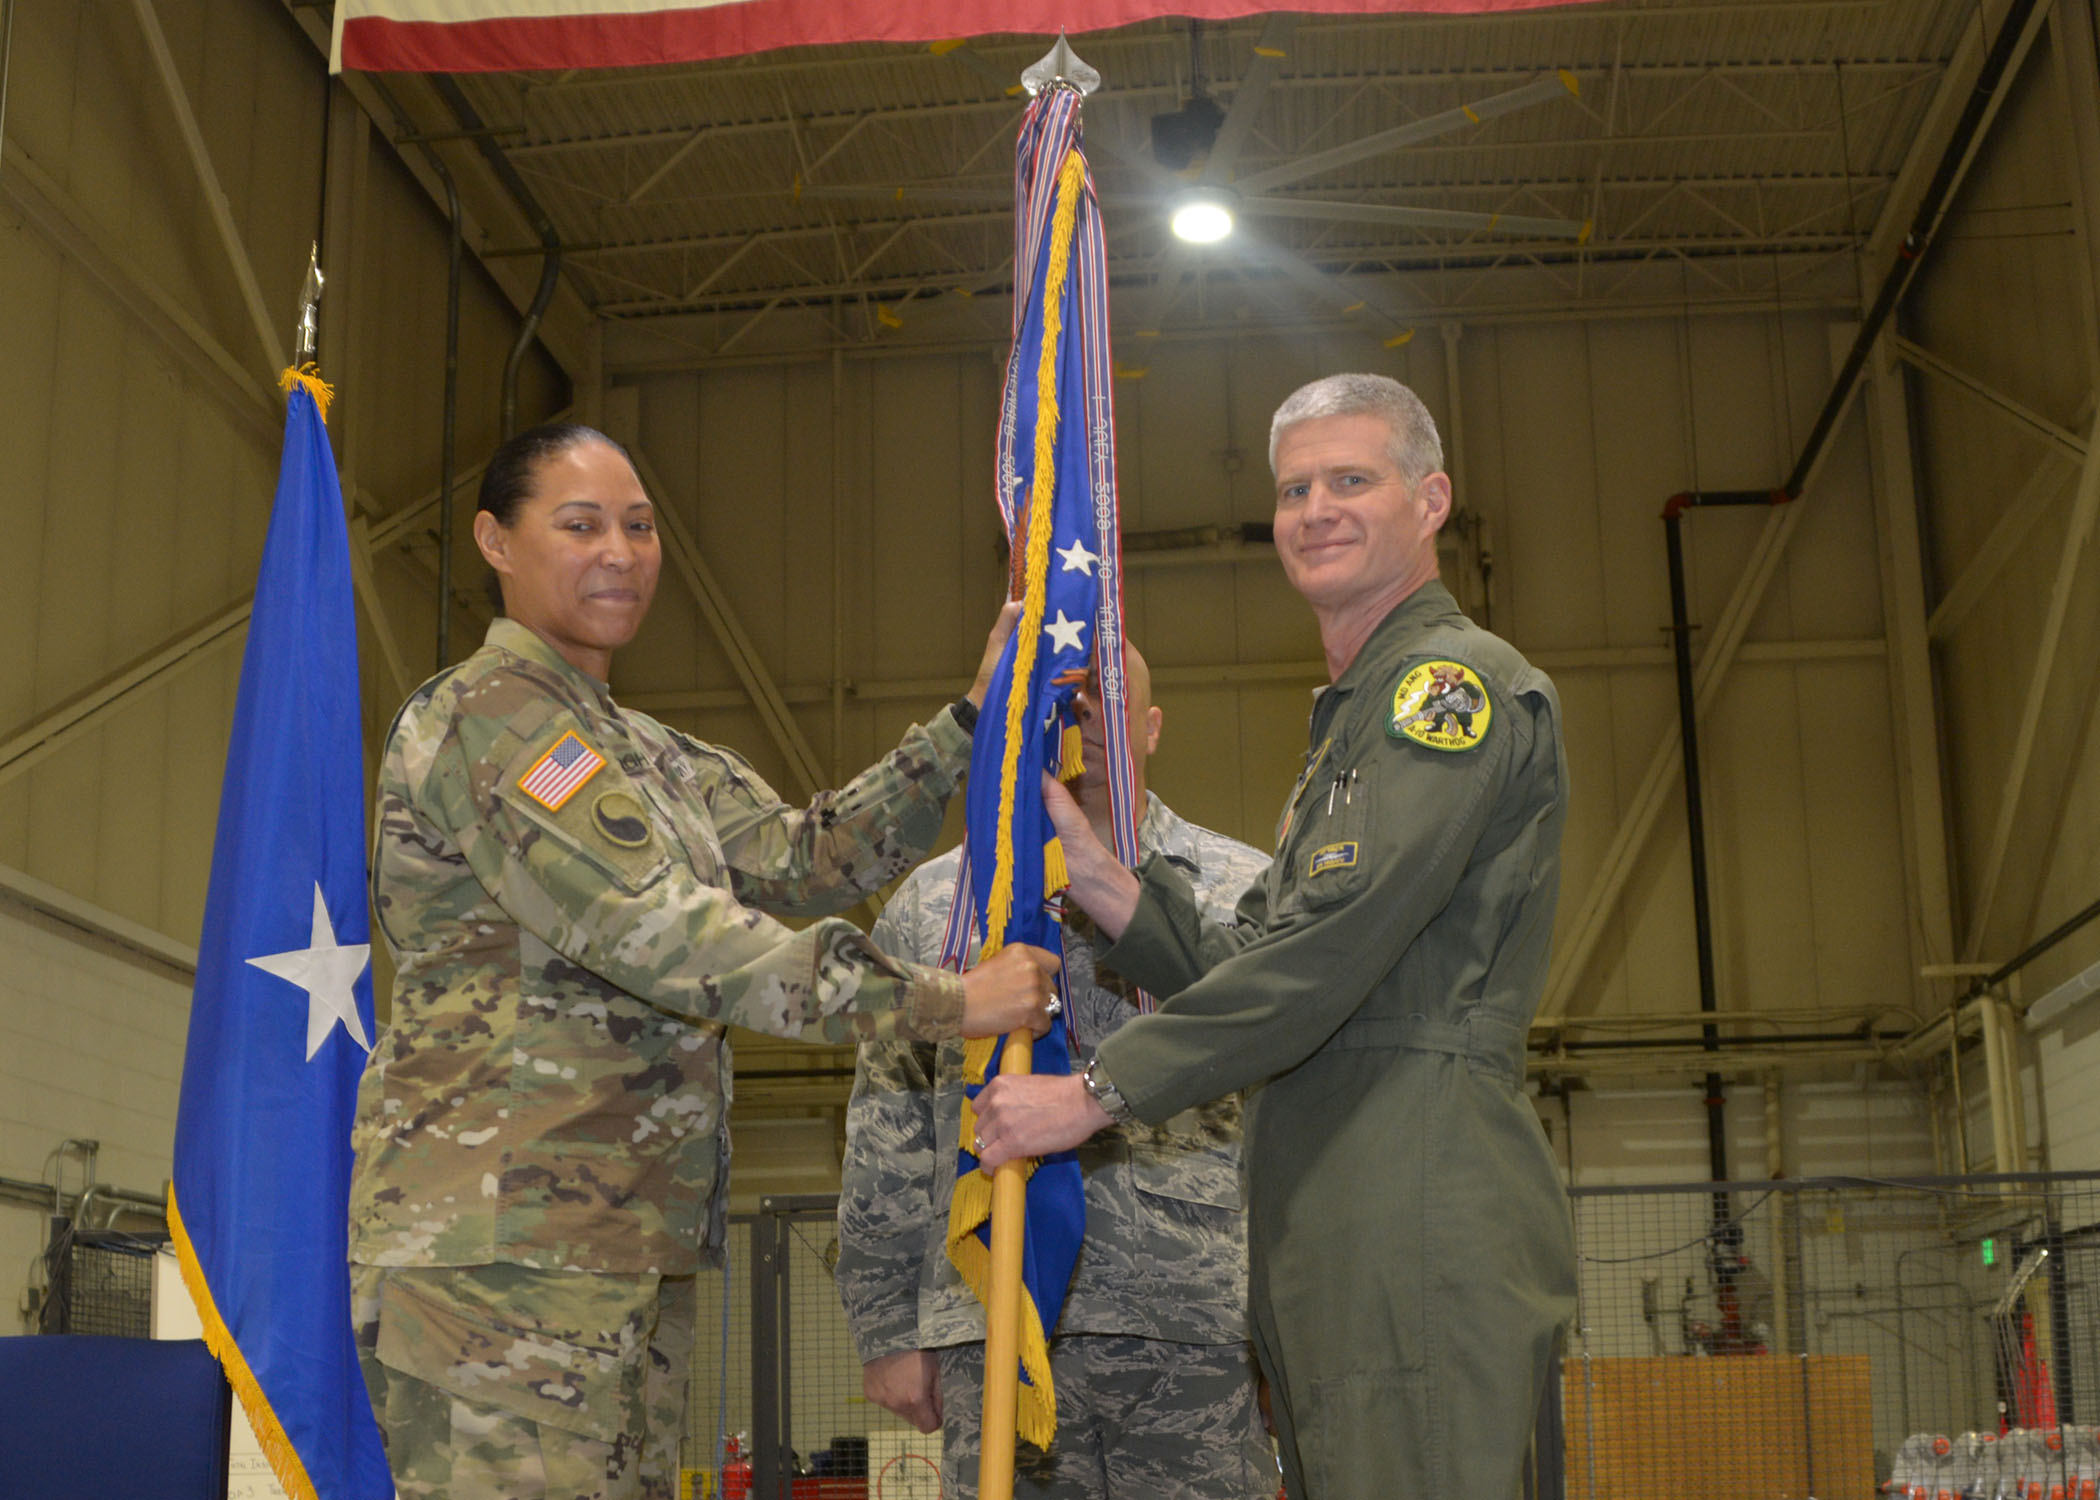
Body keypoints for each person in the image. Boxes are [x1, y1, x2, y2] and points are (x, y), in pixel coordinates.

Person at [347, 421, 1061, 1500]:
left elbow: (812, 857)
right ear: (496, 542)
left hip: (620, 1246)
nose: (620, 553)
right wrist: (945, 1002)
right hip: (503, 1255)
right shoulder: (489, 717)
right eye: (580, 525)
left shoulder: (651, 754)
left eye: (638, 528)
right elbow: (667, 933)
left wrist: (971, 718)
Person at [972, 375, 1575, 1500]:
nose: (1315, 510)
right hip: (1333, 1198)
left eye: (1351, 480)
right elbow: (1265, 954)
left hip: (1411, 1189)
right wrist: (1109, 885)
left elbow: (1328, 954)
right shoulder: (1350, 721)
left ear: (1431, 500)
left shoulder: (1445, 694)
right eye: (1295, 489)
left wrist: (1094, 1094)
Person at [835, 641, 1274, 1500]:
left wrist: (1291, 1326)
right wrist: (886, 1327)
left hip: (1198, 1322)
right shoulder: (937, 905)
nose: (1083, 720)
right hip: (995, 1319)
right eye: (1063, 699)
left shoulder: (1238, 890)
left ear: (1152, 727)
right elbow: (888, 1123)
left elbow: (1289, 1115)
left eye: (1106, 699)